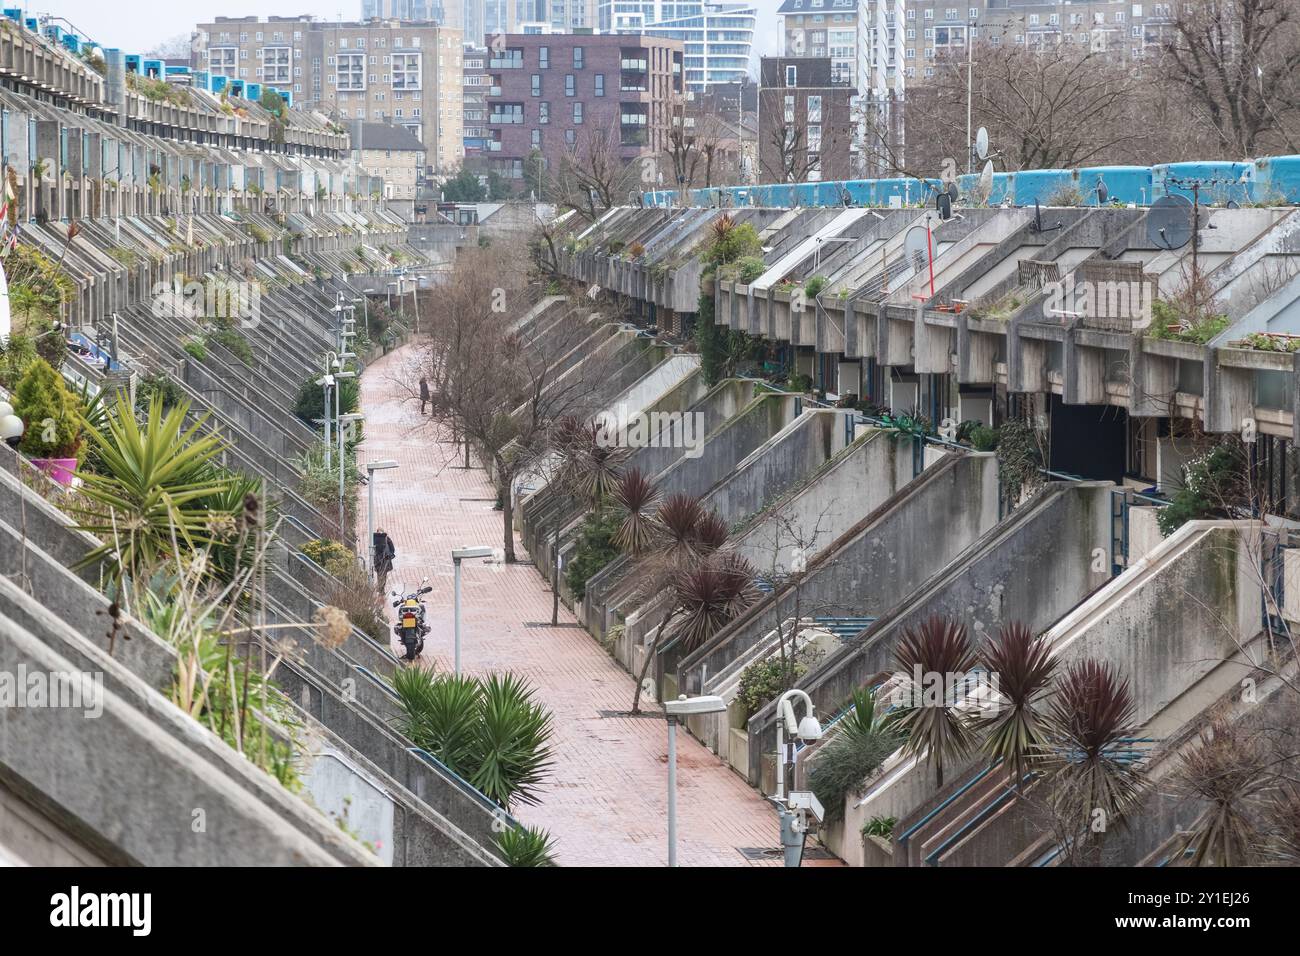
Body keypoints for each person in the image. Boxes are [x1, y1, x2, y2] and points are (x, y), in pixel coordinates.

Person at [373, 528, 396, 592]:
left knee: (380, 574)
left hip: (379, 559)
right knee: (382, 574)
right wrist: (390, 554)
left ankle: (381, 587)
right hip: (384, 559)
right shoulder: (387, 538)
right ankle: (381, 587)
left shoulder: (375, 539)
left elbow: (392, 549)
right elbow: (392, 549)